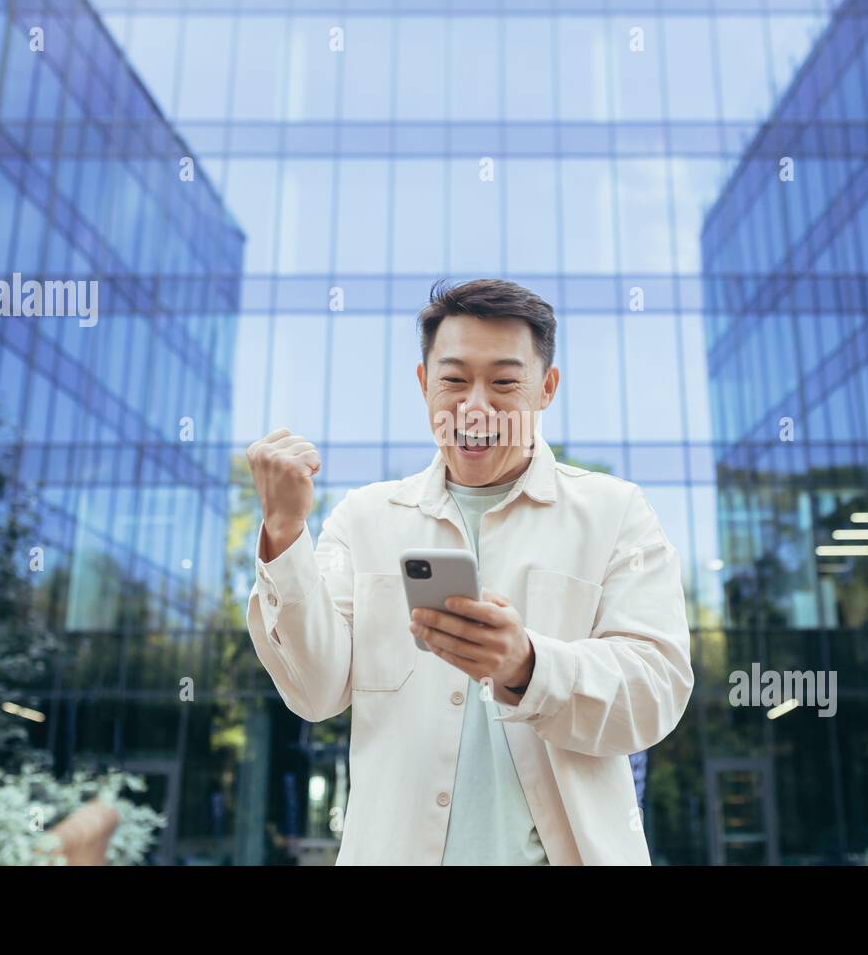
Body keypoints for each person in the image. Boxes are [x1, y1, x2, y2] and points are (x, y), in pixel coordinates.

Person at [245, 278, 693, 864]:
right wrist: (283, 534)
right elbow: (316, 691)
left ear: (547, 388)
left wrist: (527, 665)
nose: (475, 406)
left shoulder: (615, 512)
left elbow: (655, 691)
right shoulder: (365, 518)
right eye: (453, 380)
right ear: (423, 383)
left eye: (505, 382)